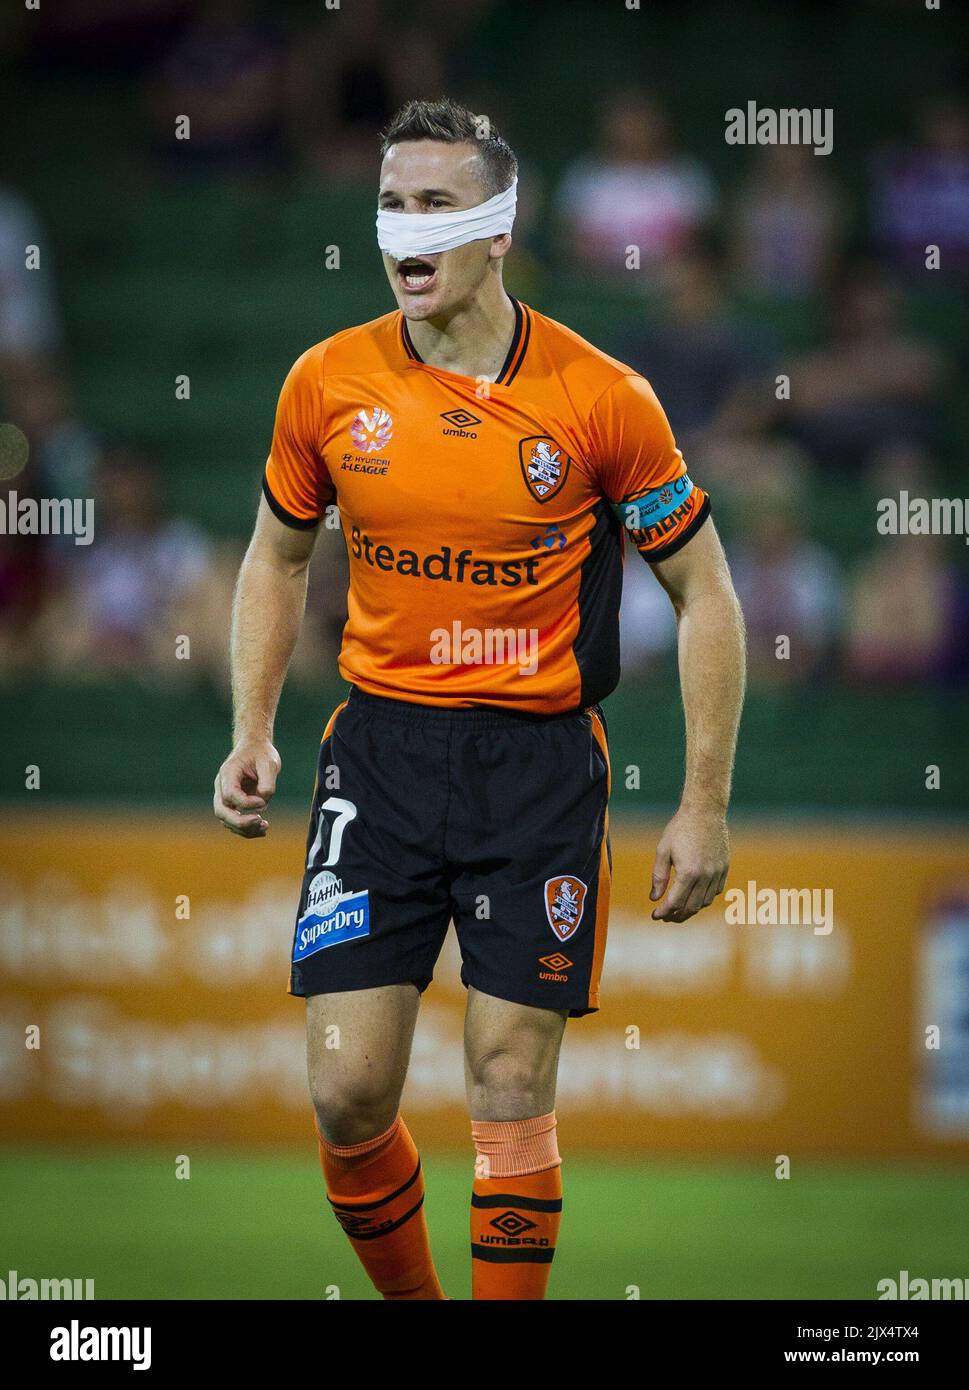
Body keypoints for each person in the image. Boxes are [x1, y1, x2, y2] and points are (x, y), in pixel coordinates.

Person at [213, 98, 746, 1301]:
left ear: (500, 229)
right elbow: (276, 556)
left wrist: (705, 801)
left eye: (437, 205)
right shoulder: (327, 383)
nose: (406, 229)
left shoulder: (602, 398)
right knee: (348, 1091)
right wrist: (254, 727)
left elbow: (707, 594)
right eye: (392, 204)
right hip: (382, 755)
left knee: (509, 1082)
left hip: (538, 764)